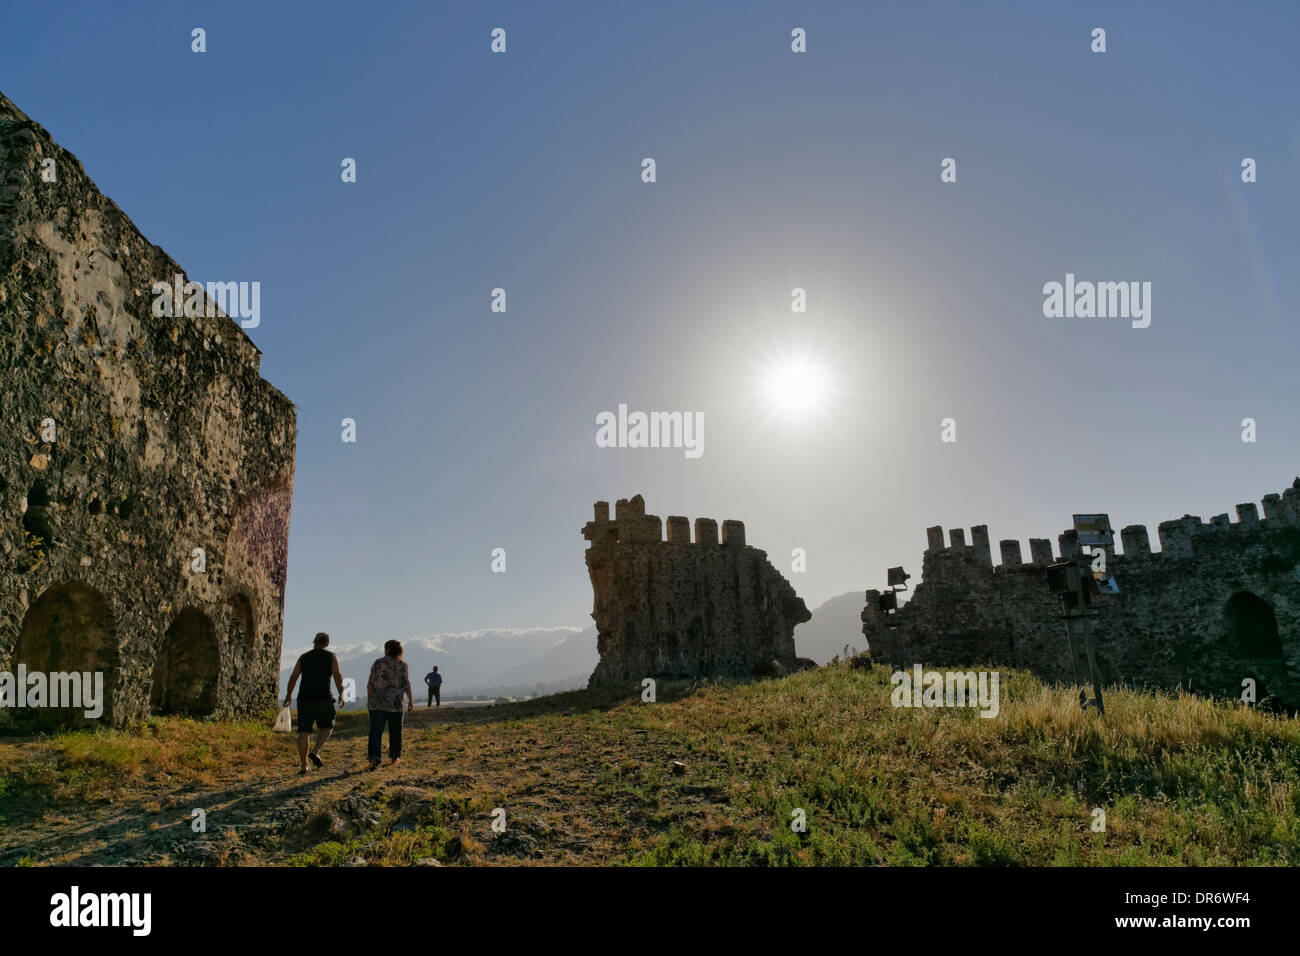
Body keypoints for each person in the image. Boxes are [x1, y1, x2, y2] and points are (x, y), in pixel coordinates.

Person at [283, 632, 346, 775]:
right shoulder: (331, 656)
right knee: (327, 725)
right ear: (327, 643)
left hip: (304, 698)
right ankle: (316, 750)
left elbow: (294, 676)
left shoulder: (303, 657)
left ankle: (303, 766)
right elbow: (337, 675)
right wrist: (341, 693)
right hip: (323, 697)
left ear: (314, 642)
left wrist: (288, 694)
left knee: (303, 732)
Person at [366, 639, 414, 770]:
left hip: (377, 703)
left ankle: (374, 758)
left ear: (387, 649)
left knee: (375, 731)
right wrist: (410, 700)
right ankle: (395, 757)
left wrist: (369, 700)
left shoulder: (378, 663)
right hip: (396, 703)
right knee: (396, 730)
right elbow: (406, 684)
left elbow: (371, 683)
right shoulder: (402, 665)